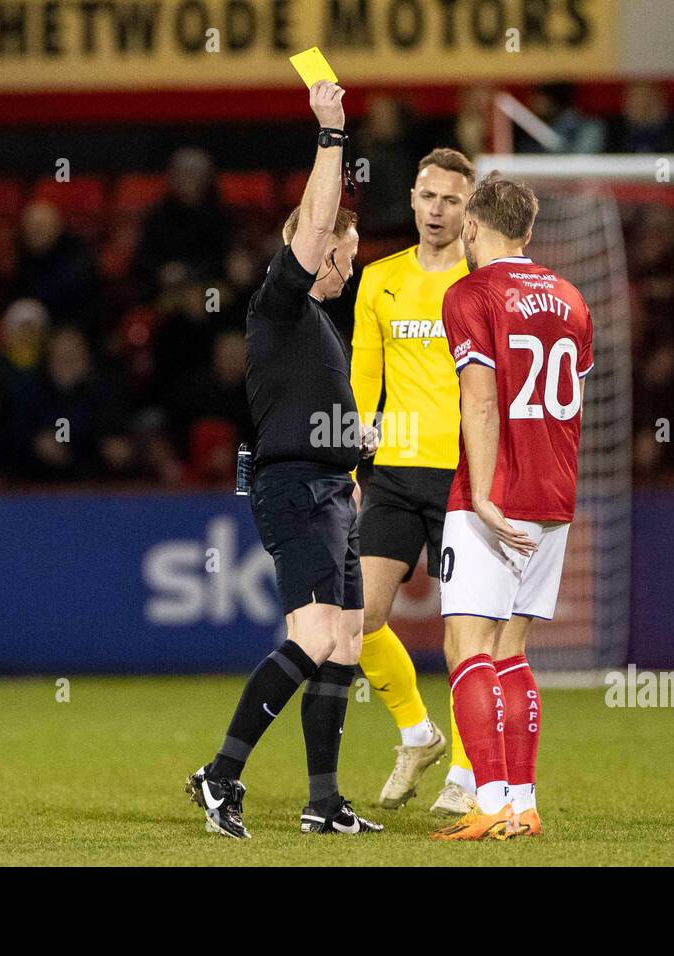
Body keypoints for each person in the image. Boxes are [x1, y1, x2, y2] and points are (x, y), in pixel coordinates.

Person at [186, 81, 382, 839]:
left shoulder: (316, 330)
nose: (350, 267)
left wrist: (353, 442)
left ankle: (323, 801)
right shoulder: (280, 301)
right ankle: (220, 774)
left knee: (347, 641)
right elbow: (318, 217)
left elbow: (315, 409)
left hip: (333, 489)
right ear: (318, 241)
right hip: (295, 489)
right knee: (312, 638)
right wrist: (332, 134)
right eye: (346, 253)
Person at [433, 175, 593, 841]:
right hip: (554, 492)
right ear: (528, 231)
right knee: (513, 652)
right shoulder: (571, 298)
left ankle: (491, 799)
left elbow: (480, 399)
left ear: (473, 227)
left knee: (465, 646)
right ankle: (523, 802)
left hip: (492, 495)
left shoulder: (468, 293)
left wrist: (489, 494)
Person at [350, 148, 480, 815]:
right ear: (411, 199)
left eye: (451, 200)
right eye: (428, 197)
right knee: (358, 616)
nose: (437, 210)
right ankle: (416, 732)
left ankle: (465, 772)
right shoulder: (380, 279)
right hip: (396, 475)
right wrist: (347, 467)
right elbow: (361, 382)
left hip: (465, 477)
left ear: (469, 207)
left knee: (463, 633)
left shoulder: (483, 283)